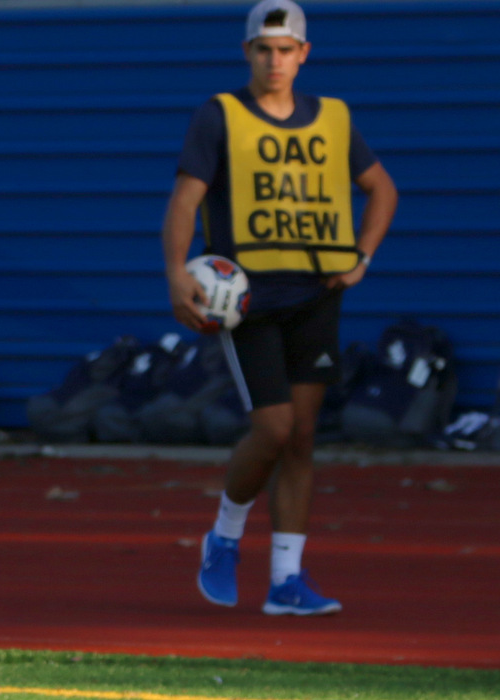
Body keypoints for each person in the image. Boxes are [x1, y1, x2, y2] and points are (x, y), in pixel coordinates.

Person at [162, 0, 397, 616]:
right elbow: (185, 200)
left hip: (318, 295)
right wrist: (174, 273)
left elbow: (382, 189)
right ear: (248, 53)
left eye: (285, 49)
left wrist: (362, 257)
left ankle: (286, 582)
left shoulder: (333, 119)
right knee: (274, 428)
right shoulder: (221, 116)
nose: (274, 60)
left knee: (303, 438)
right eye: (263, 49)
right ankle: (225, 535)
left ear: (303, 55)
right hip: (249, 302)